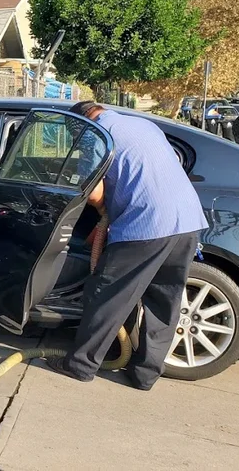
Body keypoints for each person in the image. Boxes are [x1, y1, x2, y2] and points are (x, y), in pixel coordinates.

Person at [48, 101, 209, 390]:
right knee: (164, 300)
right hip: (187, 220)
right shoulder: (143, 124)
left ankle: (81, 365)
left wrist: (103, 212)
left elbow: (93, 191)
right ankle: (145, 375)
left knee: (108, 293)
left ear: (82, 121)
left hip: (145, 224)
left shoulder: (95, 133)